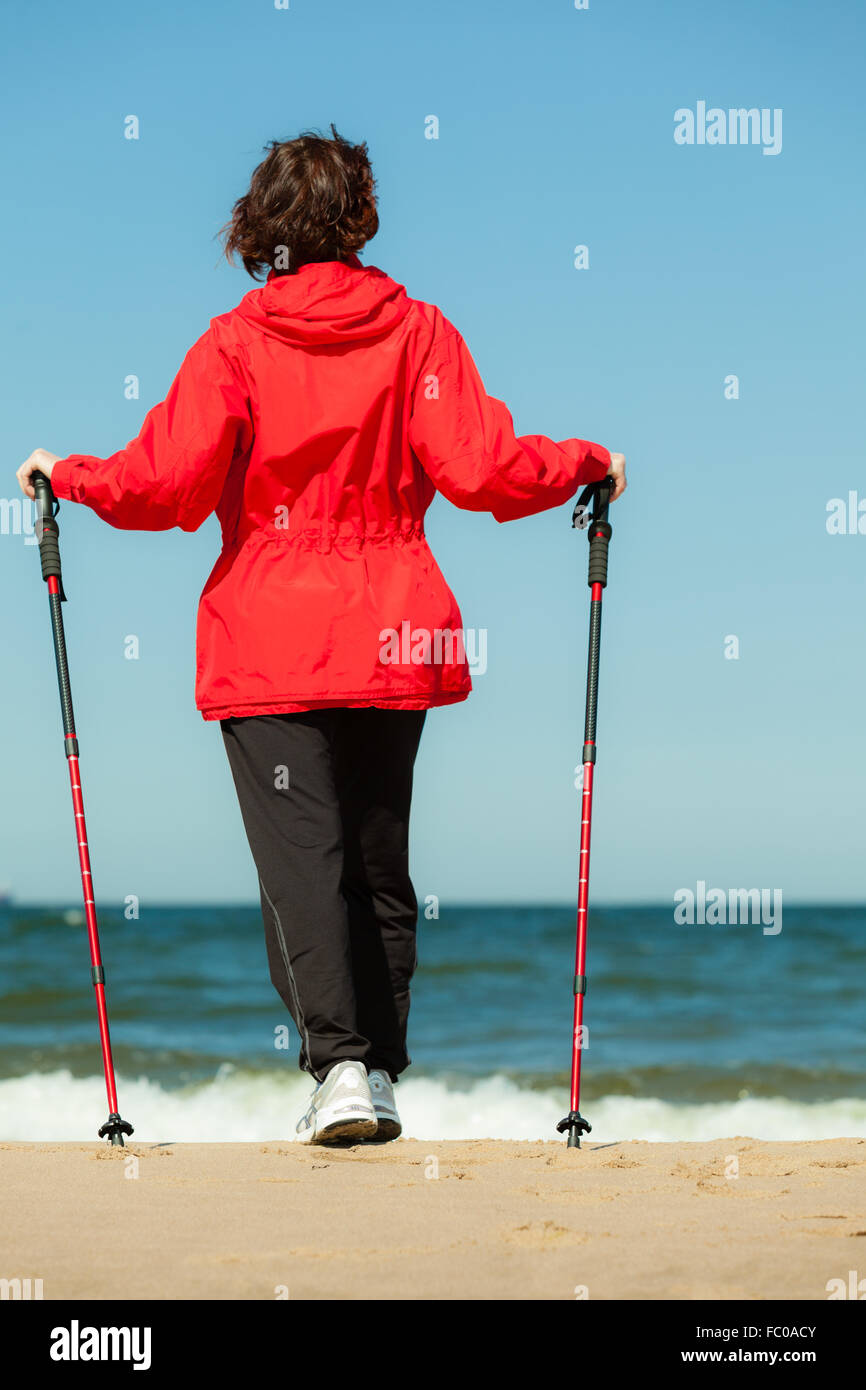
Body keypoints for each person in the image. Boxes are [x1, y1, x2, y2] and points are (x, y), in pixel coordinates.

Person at [17, 125, 626, 1146]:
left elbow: (164, 485)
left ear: (260, 225)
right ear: (360, 219)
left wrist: (66, 474)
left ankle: (339, 1068)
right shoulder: (418, 333)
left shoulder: (235, 344)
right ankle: (372, 1075)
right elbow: (480, 468)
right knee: (375, 863)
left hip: (270, 638)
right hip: (394, 630)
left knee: (303, 862)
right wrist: (585, 461)